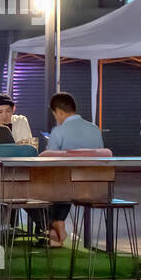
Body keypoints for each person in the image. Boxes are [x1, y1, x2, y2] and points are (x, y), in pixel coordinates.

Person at [44, 91, 104, 246]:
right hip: (94, 187)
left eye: (55, 115)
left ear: (59, 112)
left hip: (65, 187)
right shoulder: (94, 129)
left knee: (45, 185)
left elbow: (48, 161)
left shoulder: (59, 131)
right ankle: (58, 224)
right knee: (67, 182)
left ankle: (55, 226)